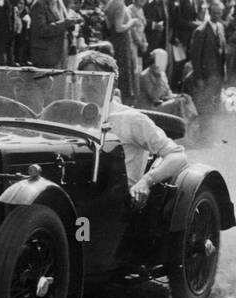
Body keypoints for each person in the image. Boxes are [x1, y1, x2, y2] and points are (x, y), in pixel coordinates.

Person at [78, 50, 187, 207]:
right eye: (84, 78)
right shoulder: (71, 115)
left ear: (113, 84)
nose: (88, 84)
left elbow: (177, 155)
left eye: (96, 78)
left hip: (115, 202)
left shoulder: (131, 118)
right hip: (79, 194)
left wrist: (146, 181)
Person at [187, 0, 228, 141]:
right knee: (205, 107)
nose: (217, 15)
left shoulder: (220, 28)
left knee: (215, 106)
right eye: (214, 13)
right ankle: (203, 137)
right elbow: (195, 57)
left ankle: (211, 136)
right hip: (205, 76)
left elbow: (222, 52)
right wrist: (198, 78)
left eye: (219, 13)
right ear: (209, 13)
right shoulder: (201, 31)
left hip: (217, 76)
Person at [30, 0, 78, 70]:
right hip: (46, 58)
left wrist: (73, 22)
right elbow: (41, 30)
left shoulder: (58, 0)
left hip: (60, 56)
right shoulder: (39, 4)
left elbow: (65, 22)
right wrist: (64, 23)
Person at [103, 0, 138, 101]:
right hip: (121, 41)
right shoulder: (119, 4)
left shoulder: (111, 1)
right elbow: (118, 27)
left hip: (113, 40)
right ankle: (125, 99)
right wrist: (132, 22)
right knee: (123, 73)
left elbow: (108, 24)